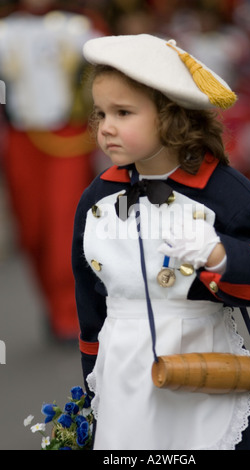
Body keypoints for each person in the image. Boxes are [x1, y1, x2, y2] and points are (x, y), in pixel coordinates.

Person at [72, 34, 250, 450]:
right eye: (100, 114)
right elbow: (89, 300)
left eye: (123, 112)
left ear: (171, 116)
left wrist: (221, 256)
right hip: (123, 372)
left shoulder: (226, 194)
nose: (106, 127)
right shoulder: (96, 199)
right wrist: (91, 379)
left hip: (204, 367)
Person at [0, 0, 103, 340]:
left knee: (64, 221)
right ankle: (53, 304)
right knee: (32, 229)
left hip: (68, 136)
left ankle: (70, 312)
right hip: (20, 139)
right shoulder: (5, 31)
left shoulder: (78, 27)